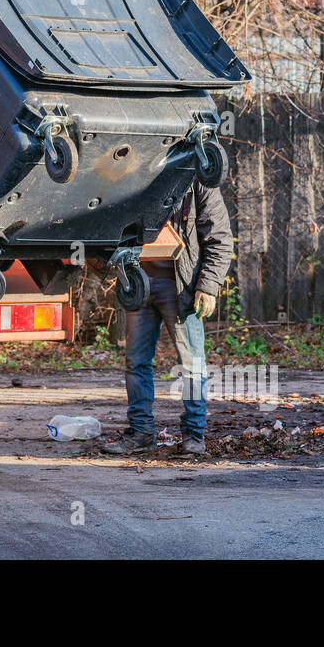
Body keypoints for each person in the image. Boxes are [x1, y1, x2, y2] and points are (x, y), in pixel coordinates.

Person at [102, 180, 233, 457]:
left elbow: (219, 235)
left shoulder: (197, 179)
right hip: (138, 284)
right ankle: (141, 434)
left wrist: (208, 286)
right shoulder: (134, 170)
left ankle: (194, 436)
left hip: (180, 287)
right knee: (136, 361)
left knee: (192, 364)